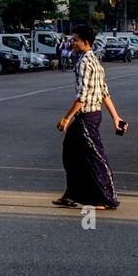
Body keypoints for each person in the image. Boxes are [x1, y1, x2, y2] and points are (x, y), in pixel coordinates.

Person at [53, 24, 125, 210]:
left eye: (75, 40)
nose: (72, 42)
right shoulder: (95, 62)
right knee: (71, 153)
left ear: (85, 42)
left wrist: (66, 118)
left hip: (86, 117)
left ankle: (105, 198)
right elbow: (104, 93)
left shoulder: (85, 63)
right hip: (92, 115)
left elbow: (82, 97)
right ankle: (72, 194)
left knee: (95, 156)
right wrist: (116, 118)